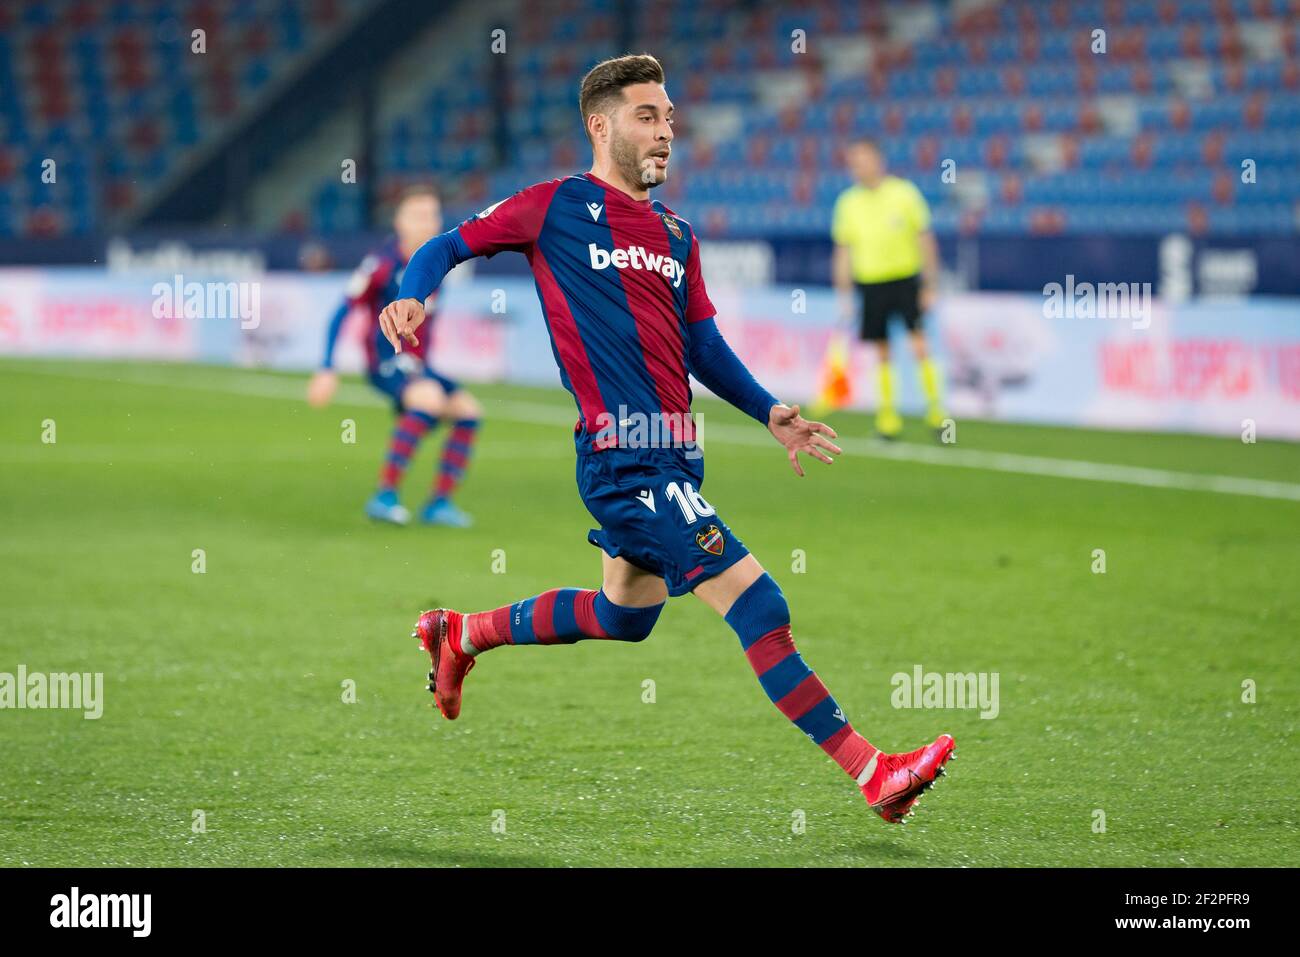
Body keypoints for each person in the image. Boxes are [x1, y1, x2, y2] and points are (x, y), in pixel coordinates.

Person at [380, 55, 954, 823]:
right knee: (760, 604)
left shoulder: (677, 236)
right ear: (601, 124)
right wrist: (411, 296)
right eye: (648, 116)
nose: (665, 132)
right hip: (624, 458)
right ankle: (871, 768)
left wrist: (770, 411)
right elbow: (446, 246)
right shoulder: (554, 206)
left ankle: (462, 632)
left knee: (627, 614)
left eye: (671, 119)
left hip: (677, 451)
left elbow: (705, 348)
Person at [307, 185, 481, 527]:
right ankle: (384, 496)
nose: (426, 222)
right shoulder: (381, 263)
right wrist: (327, 367)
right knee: (429, 401)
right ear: (399, 221)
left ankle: (438, 503)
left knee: (468, 412)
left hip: (420, 365)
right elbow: (342, 310)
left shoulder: (437, 260)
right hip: (386, 362)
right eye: (417, 215)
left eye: (432, 215)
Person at [831, 138, 947, 439]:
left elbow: (924, 238)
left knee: (919, 344)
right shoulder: (848, 202)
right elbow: (843, 250)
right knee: (881, 350)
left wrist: (930, 284)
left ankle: (937, 413)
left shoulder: (904, 193)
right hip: (870, 284)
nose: (858, 167)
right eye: (853, 162)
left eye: (862, 159)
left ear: (878, 160)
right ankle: (887, 419)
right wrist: (844, 294)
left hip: (906, 280)